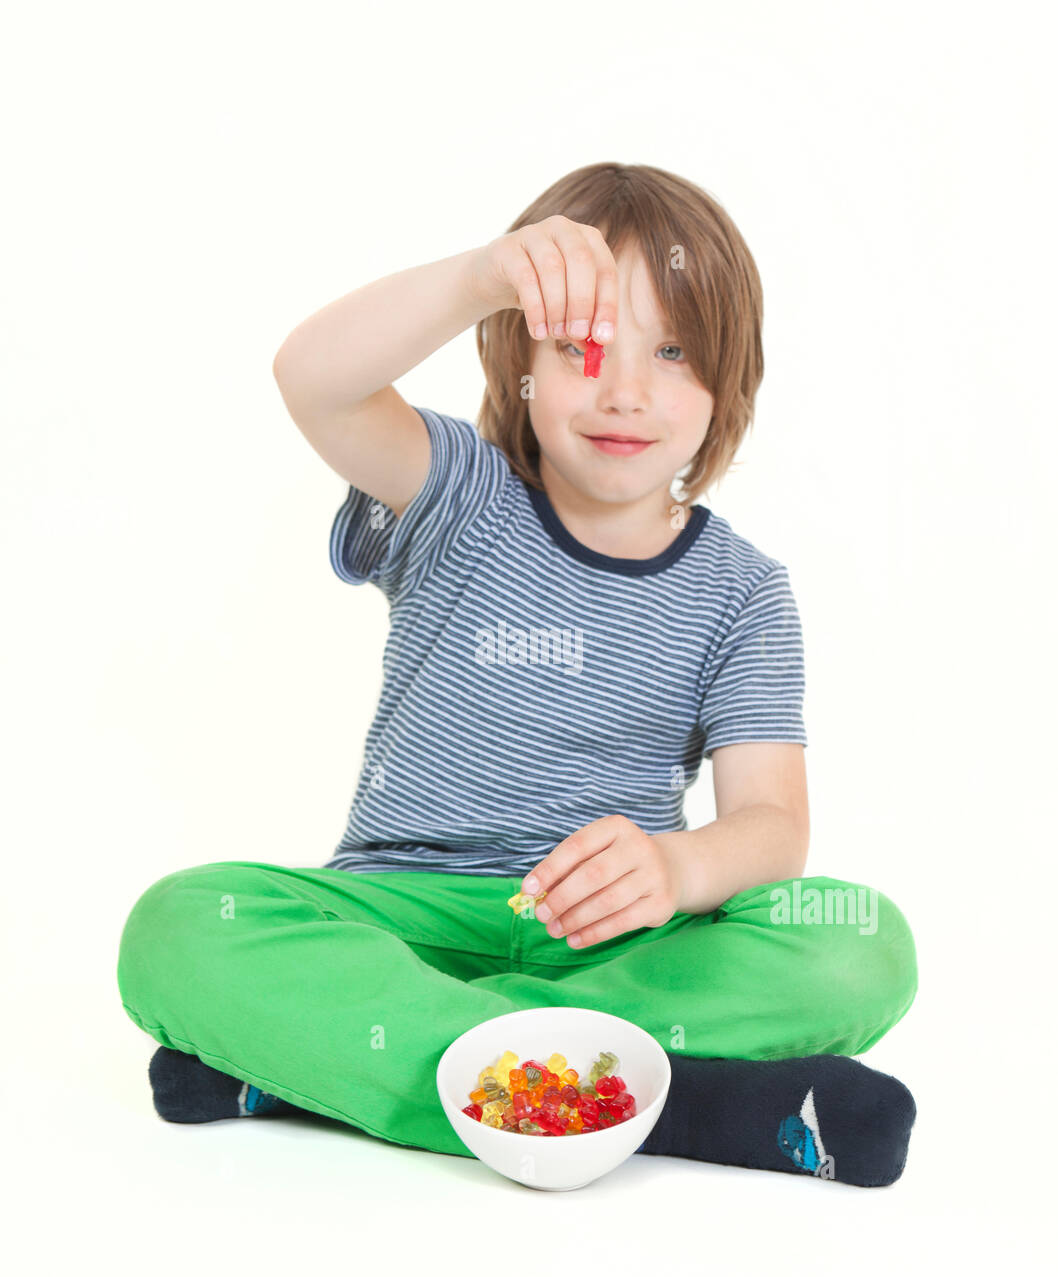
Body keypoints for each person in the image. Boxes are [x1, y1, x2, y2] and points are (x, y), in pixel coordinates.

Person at [117, 162, 917, 1187]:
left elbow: (771, 827)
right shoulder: (454, 491)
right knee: (179, 927)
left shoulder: (742, 592)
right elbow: (312, 377)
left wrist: (675, 870)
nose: (623, 388)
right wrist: (472, 281)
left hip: (613, 949)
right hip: (402, 926)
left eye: (670, 351)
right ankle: (677, 1103)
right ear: (516, 360)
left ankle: (346, 1065)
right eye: (579, 347)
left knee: (861, 940)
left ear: (728, 380)